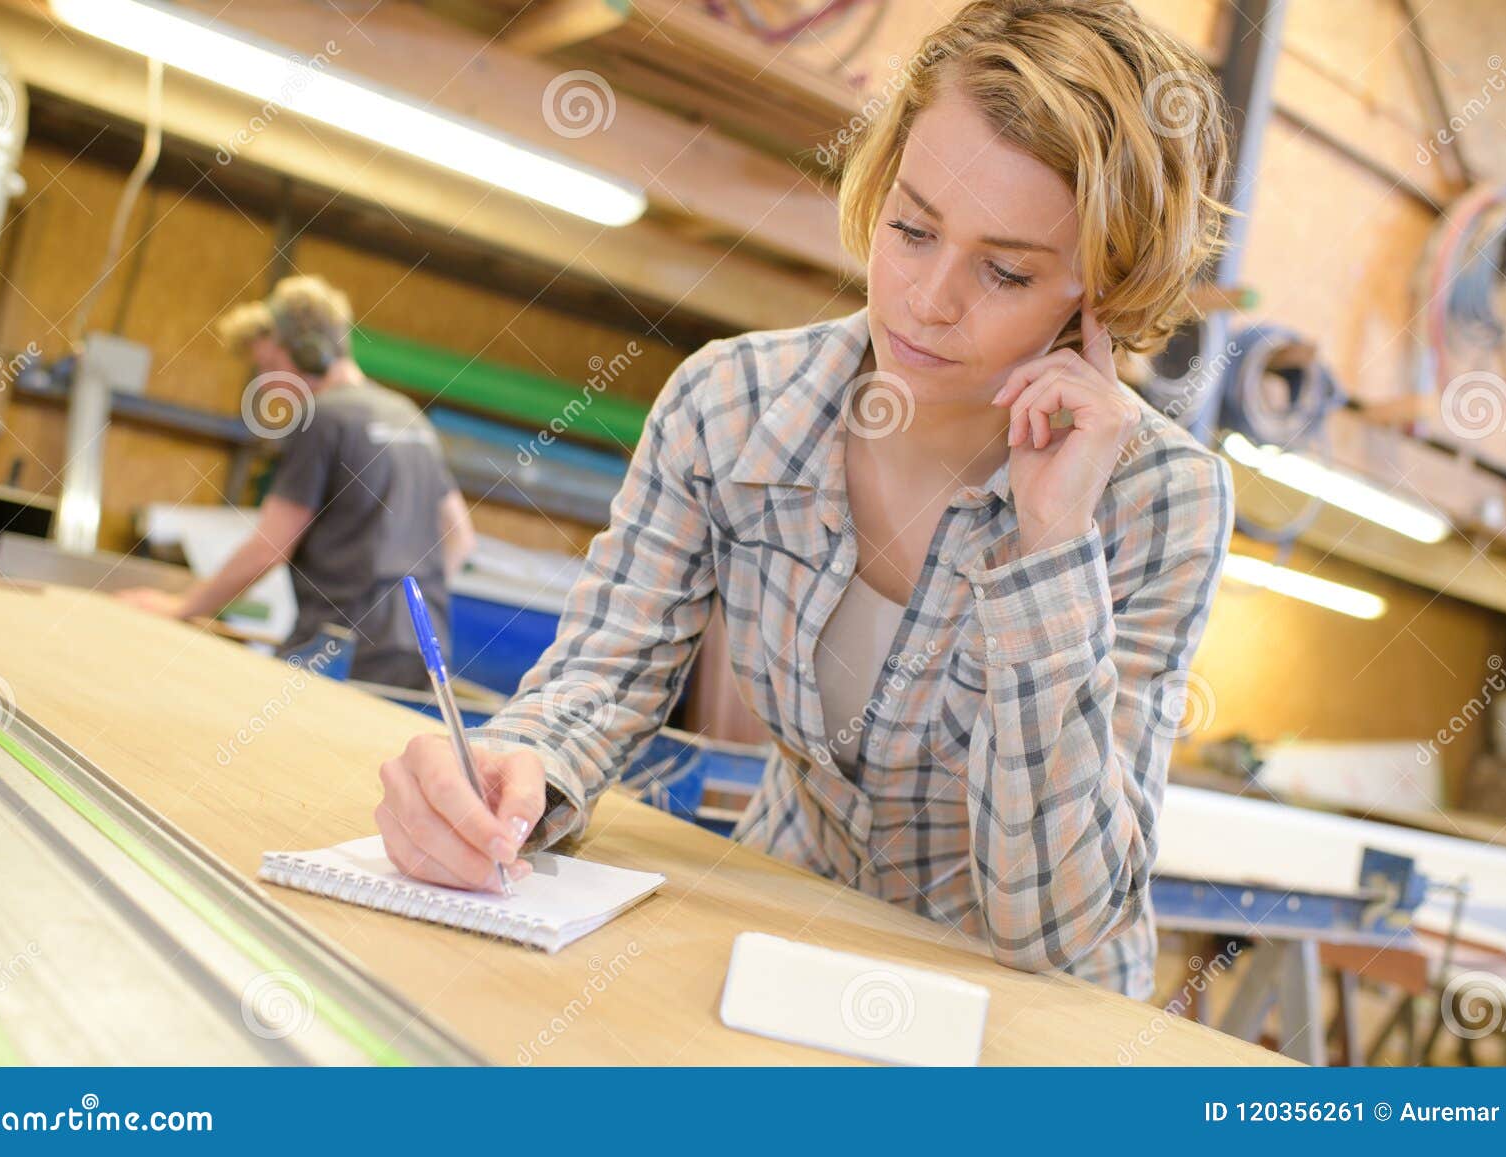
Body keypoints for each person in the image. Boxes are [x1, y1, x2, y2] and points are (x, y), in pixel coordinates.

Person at [373, 0, 1236, 1000]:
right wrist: (516, 772)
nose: (927, 296)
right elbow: (599, 680)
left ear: (1104, 291)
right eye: (911, 226)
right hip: (783, 927)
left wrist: (1050, 544)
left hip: (1022, 1016)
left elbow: (1051, 923)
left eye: (1004, 270)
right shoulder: (729, 404)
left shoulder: (1160, 499)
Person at [118, 275, 475, 691]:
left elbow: (269, 548)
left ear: (310, 353)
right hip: (421, 654)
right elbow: (460, 536)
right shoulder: (408, 415)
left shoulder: (322, 418)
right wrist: (405, 610)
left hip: (341, 653)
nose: (267, 383)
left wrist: (183, 608)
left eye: (270, 366)